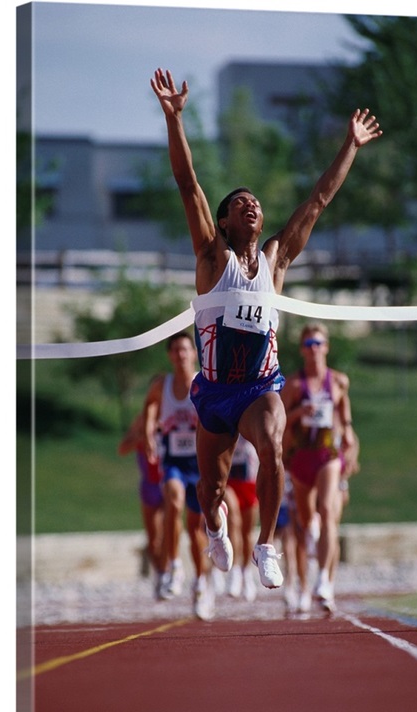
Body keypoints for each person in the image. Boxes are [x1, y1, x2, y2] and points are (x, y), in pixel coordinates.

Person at [150, 67, 382, 592]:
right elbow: (187, 184)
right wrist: (174, 119)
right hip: (213, 394)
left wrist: (350, 143)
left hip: (260, 387)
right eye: (238, 203)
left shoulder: (276, 259)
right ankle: (215, 527)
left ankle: (266, 545)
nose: (250, 205)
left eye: (254, 201)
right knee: (210, 494)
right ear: (227, 223)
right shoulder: (213, 257)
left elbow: (319, 201)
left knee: (274, 445)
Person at [281, 322, 359, 612]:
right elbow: (281, 422)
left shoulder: (338, 381)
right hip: (301, 457)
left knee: (328, 510)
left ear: (326, 347)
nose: (314, 349)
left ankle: (324, 580)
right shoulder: (293, 385)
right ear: (302, 349)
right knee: (305, 522)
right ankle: (306, 580)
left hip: (328, 455)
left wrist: (349, 433)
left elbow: (344, 413)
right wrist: (300, 412)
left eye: (319, 343)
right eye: (309, 344)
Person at [140, 330, 215, 620]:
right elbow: (149, 406)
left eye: (186, 350)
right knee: (173, 500)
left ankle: (201, 583)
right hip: (172, 460)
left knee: (196, 529)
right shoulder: (163, 385)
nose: (181, 355)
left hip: (200, 464)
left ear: (194, 354)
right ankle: (174, 566)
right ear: (170, 356)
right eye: (176, 351)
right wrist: (149, 432)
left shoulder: (203, 383)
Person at [118, 405, 164, 579]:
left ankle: (166, 573)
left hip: (170, 480)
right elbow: (122, 448)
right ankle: (159, 572)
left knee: (169, 528)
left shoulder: (173, 415)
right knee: (154, 537)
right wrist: (141, 437)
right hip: (150, 484)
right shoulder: (141, 421)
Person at [224, 434, 259, 601]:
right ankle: (235, 571)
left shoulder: (249, 420)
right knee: (234, 523)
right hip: (229, 481)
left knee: (247, 532)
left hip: (249, 481)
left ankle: (247, 573)